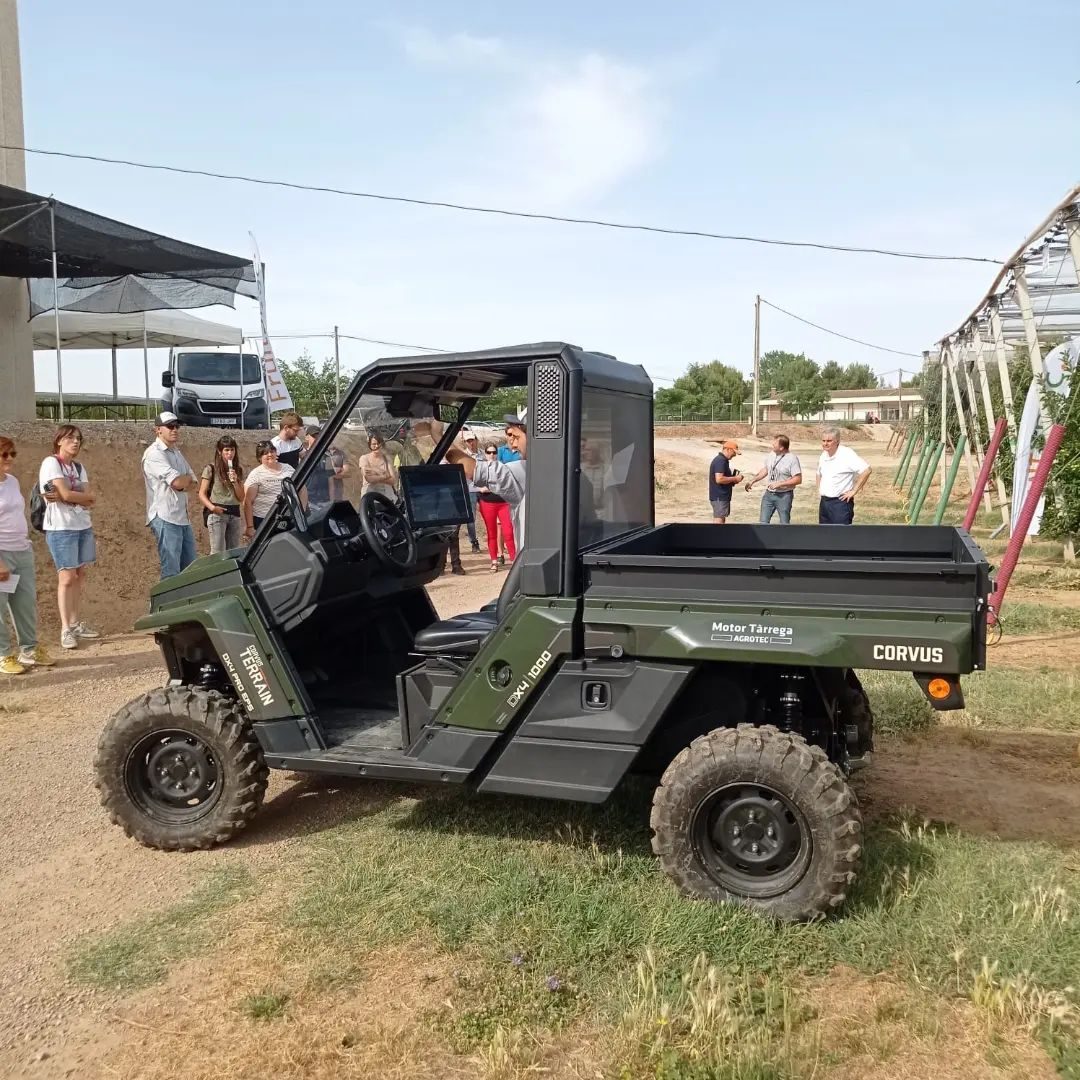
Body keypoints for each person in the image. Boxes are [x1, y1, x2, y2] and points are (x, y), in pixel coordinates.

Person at [40, 425, 100, 649]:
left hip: (82, 526)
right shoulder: (51, 463)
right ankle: (65, 628)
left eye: (78, 439)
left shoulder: (78, 467)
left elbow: (89, 497)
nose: (75, 442)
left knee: (79, 575)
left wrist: (69, 496)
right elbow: (67, 494)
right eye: (70, 438)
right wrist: (74, 496)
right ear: (59, 441)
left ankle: (75, 624)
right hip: (61, 528)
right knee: (66, 577)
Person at [0, 436, 54, 674]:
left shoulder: (11, 481)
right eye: (4, 454)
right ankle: (3, 655)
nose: (10, 458)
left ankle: (29, 650)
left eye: (13, 454)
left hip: (21, 550)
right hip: (2, 553)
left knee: (24, 603)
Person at [446, 413, 527, 543]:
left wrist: (437, 434)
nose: (514, 445)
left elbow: (468, 467)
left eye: (517, 437)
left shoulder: (523, 470)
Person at [143, 411, 199, 579]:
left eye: (176, 426)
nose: (174, 429)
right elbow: (178, 483)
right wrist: (183, 482)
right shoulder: (154, 454)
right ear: (158, 430)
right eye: (170, 426)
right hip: (165, 517)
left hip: (182, 518)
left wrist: (183, 482)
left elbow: (193, 481)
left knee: (190, 570)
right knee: (171, 573)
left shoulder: (176, 452)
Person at [198, 435, 246, 554]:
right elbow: (202, 493)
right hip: (217, 514)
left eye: (232, 450)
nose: (230, 453)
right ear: (220, 451)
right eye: (226, 450)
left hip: (234, 514)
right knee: (217, 553)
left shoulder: (238, 469)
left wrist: (235, 482)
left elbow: (241, 497)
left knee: (233, 553)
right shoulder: (211, 468)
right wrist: (213, 508)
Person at [817, 427, 872, 524]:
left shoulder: (846, 454)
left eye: (829, 441)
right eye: (823, 441)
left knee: (841, 533)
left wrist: (854, 491)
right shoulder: (824, 455)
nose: (825, 443)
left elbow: (866, 470)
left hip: (840, 503)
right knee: (824, 532)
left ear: (837, 441)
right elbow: (819, 473)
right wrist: (819, 489)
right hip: (824, 503)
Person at [744, 434, 803, 524]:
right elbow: (766, 469)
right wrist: (753, 480)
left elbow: (798, 479)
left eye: (775, 444)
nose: (772, 445)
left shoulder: (792, 459)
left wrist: (780, 484)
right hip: (769, 494)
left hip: (784, 495)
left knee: (784, 523)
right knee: (763, 523)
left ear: (781, 448)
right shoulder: (771, 455)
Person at [476, 443, 517, 571]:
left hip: (504, 503)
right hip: (487, 503)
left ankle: (514, 560)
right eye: (489, 452)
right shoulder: (480, 468)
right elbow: (477, 486)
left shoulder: (503, 467)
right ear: (485, 454)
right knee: (491, 532)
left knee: (508, 532)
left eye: (494, 452)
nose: (492, 455)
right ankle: (494, 561)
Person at [244, 440, 295, 537]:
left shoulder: (288, 469)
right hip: (263, 519)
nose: (270, 455)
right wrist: (250, 527)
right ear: (260, 457)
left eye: (272, 451)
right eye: (265, 453)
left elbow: (301, 489)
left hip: (287, 517)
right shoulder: (255, 474)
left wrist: (300, 511)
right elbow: (247, 502)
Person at [708, 440, 743, 524]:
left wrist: (733, 480)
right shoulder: (721, 461)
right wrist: (735, 478)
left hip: (720, 496)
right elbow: (719, 479)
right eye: (734, 452)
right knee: (719, 519)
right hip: (719, 496)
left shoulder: (722, 460)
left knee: (721, 518)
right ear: (728, 449)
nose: (734, 455)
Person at [460, 428, 483, 553]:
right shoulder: (462, 455)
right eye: (468, 441)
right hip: (470, 489)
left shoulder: (483, 454)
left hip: (483, 489)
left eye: (472, 440)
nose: (471, 443)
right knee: (471, 518)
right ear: (465, 442)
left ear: (476, 440)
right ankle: (474, 542)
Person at [359, 433, 398, 499]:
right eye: (374, 444)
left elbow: (393, 480)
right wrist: (385, 475)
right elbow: (368, 478)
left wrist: (374, 473)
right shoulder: (364, 458)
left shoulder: (386, 458)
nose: (376, 446)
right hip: (370, 495)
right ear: (370, 445)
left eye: (378, 443)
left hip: (387, 496)